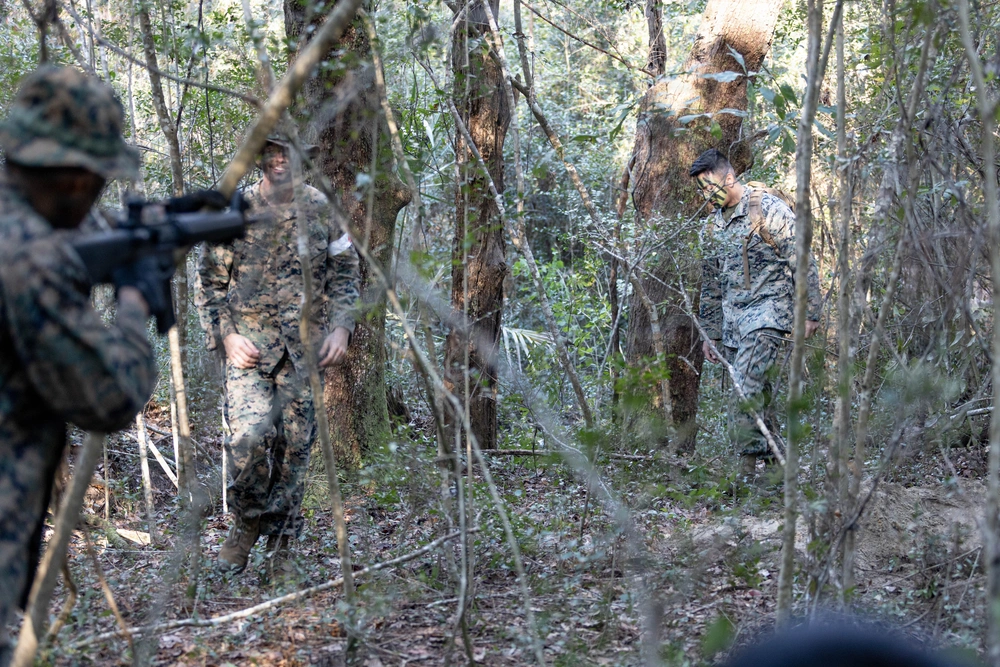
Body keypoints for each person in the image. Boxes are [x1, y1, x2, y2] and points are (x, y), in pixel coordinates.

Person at [0, 66, 156, 664]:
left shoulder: (24, 227)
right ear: (71, 176)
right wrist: (136, 302)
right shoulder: (31, 260)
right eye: (96, 179)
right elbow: (111, 396)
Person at [196, 134, 360, 573]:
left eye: (289, 151)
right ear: (260, 158)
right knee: (246, 441)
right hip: (248, 350)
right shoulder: (235, 210)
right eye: (272, 151)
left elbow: (346, 274)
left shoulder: (324, 209)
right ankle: (246, 526)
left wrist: (342, 328)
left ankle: (283, 542)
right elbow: (209, 284)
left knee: (294, 451)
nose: (280, 159)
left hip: (305, 352)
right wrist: (227, 337)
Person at [691, 148, 821, 480]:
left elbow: (802, 259)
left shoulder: (768, 210)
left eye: (710, 186)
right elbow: (711, 282)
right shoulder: (712, 227)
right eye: (701, 189)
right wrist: (711, 332)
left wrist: (811, 312)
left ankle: (743, 475)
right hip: (734, 323)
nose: (706, 195)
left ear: (729, 178)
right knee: (760, 397)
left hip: (769, 316)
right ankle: (782, 470)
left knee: (744, 391)